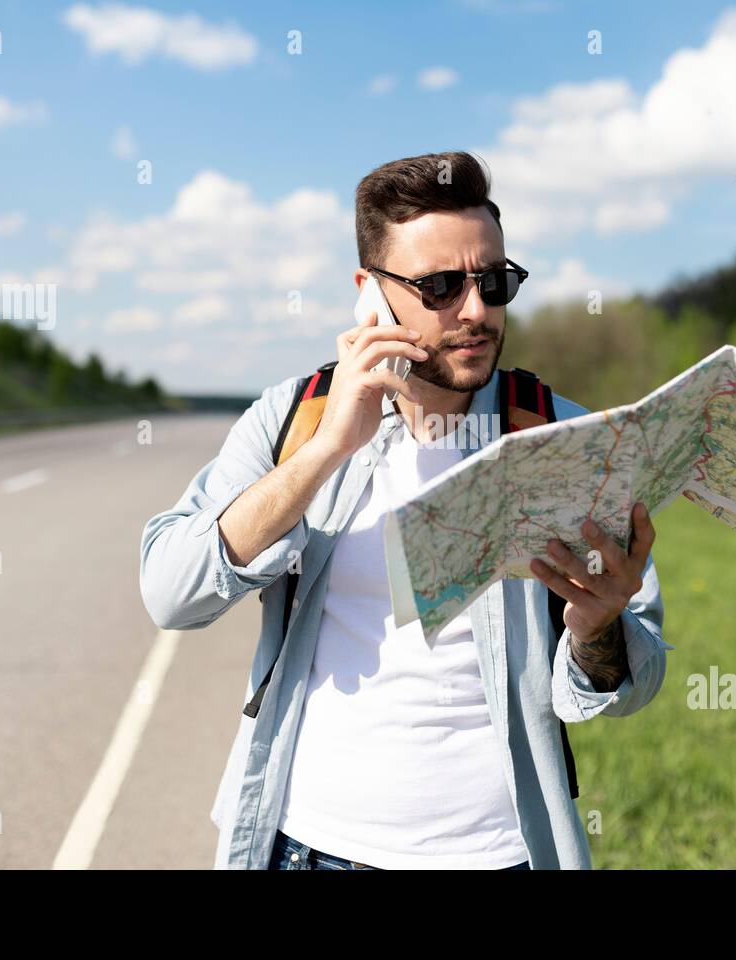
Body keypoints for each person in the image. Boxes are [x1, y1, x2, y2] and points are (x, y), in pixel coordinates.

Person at [139, 151, 670, 870]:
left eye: (494, 282)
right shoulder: (293, 418)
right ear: (371, 293)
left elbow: (631, 682)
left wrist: (594, 630)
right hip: (309, 848)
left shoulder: (562, 437)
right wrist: (326, 450)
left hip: (501, 856)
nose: (476, 311)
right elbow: (173, 593)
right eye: (441, 286)